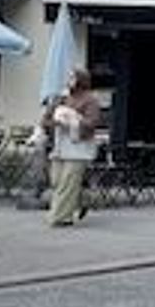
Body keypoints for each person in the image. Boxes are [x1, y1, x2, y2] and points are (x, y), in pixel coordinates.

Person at [40, 68, 101, 228]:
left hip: (78, 147)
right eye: (69, 77)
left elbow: (92, 122)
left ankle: (60, 217)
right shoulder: (61, 97)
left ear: (81, 79)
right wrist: (56, 122)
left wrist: (73, 120)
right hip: (59, 146)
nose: (69, 79)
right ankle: (82, 199)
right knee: (57, 181)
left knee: (67, 182)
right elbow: (45, 120)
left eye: (72, 77)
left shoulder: (90, 100)